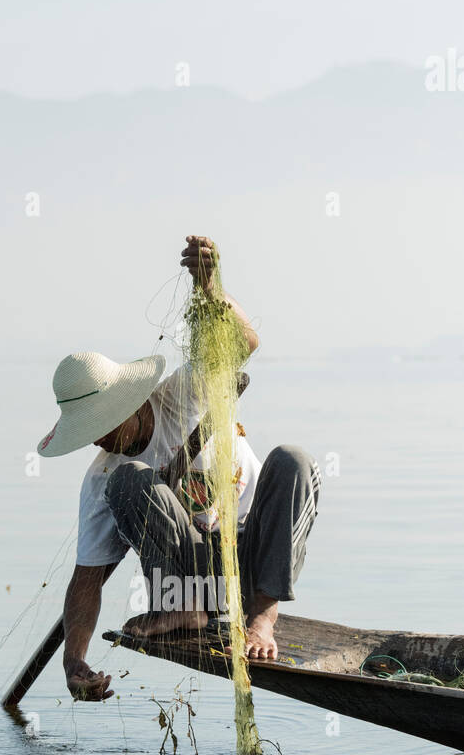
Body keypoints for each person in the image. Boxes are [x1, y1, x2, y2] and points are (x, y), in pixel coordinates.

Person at [37, 236, 321, 701]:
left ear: (131, 403)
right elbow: (86, 580)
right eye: (92, 432)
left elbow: (244, 341)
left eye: (108, 424)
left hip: (251, 557)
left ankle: (262, 617)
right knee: (130, 481)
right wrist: (74, 661)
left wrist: (210, 288)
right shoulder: (104, 479)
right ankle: (185, 608)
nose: (103, 438)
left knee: (293, 460)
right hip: (189, 579)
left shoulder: (181, 394)